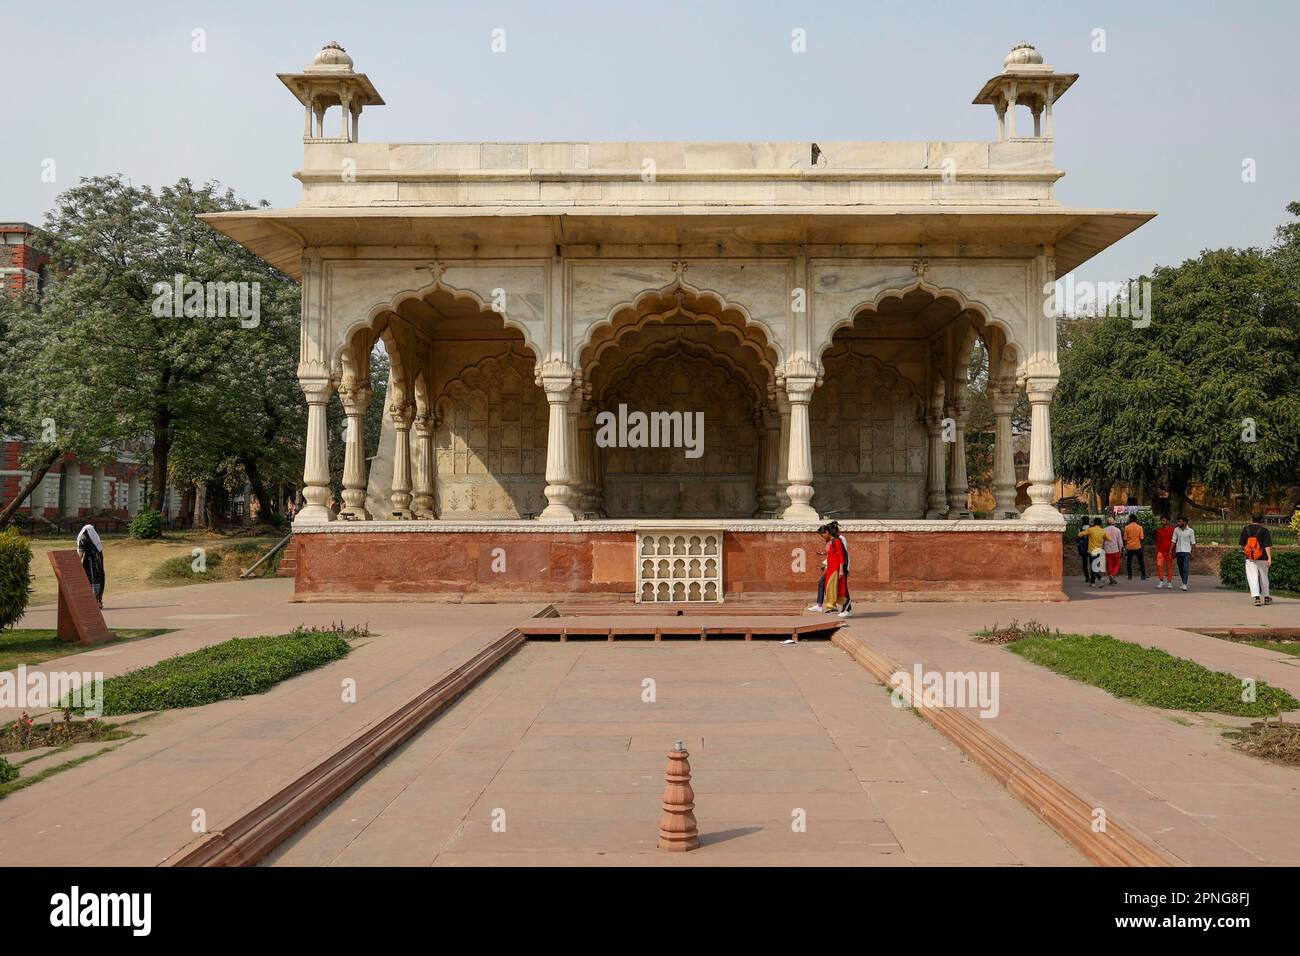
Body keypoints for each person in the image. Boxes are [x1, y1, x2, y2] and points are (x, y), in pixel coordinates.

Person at [1239, 512, 1274, 606]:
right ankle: (1266, 597)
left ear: (1252, 519)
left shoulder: (1246, 529)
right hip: (1262, 557)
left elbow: (1242, 544)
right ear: (1261, 520)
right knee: (1264, 577)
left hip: (1250, 557)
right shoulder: (1264, 530)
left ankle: (1257, 598)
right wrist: (1269, 558)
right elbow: (1267, 546)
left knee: (1252, 577)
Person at [75, 523, 106, 609]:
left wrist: (75, 564)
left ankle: (91, 602)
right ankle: (98, 601)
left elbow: (80, 554)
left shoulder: (83, 541)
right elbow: (101, 554)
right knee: (99, 581)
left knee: (90, 581)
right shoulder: (96, 542)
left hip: (89, 564)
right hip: (98, 564)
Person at [1078, 517, 1107, 588]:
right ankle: (1093, 581)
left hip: (1084, 549)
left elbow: (1079, 536)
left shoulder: (1081, 529)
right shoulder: (1093, 529)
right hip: (1094, 549)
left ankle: (1089, 578)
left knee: (1085, 564)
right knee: (1093, 565)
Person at [1172, 516, 1196, 591]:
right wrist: (1171, 550)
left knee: (1185, 568)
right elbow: (1173, 540)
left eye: (1180, 521)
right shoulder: (1176, 530)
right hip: (1179, 551)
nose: (1178, 523)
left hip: (1187, 552)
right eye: (1178, 521)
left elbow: (1193, 543)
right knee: (1180, 568)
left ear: (1184, 522)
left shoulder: (1190, 531)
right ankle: (1183, 582)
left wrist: (1193, 553)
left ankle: (1185, 584)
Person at [1153, 515, 1175, 589]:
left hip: (1169, 552)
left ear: (1168, 521)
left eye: (1164, 520)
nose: (1162, 522)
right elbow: (1158, 542)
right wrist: (1156, 551)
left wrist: (1173, 551)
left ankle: (1169, 582)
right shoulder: (1159, 530)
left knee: (1169, 567)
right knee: (1159, 565)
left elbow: (1174, 541)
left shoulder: (1173, 530)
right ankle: (1161, 581)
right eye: (1162, 520)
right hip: (1161, 551)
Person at [1123, 515, 1147, 580]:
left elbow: (1125, 539)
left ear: (1130, 519)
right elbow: (1141, 538)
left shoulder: (1126, 527)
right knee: (1141, 561)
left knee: (1129, 561)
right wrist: (1142, 546)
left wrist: (1125, 547)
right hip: (1137, 546)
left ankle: (1130, 575)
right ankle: (1143, 575)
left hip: (1129, 547)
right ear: (1136, 520)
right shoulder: (1140, 527)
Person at [1102, 515, 1123, 585]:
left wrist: (1102, 549)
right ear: (1113, 522)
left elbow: (1102, 541)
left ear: (1107, 523)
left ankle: (1111, 578)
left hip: (1107, 550)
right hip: (1115, 549)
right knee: (1117, 564)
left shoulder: (1104, 530)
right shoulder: (1117, 530)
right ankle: (1113, 575)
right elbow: (1120, 541)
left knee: (1109, 565)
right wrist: (1121, 549)